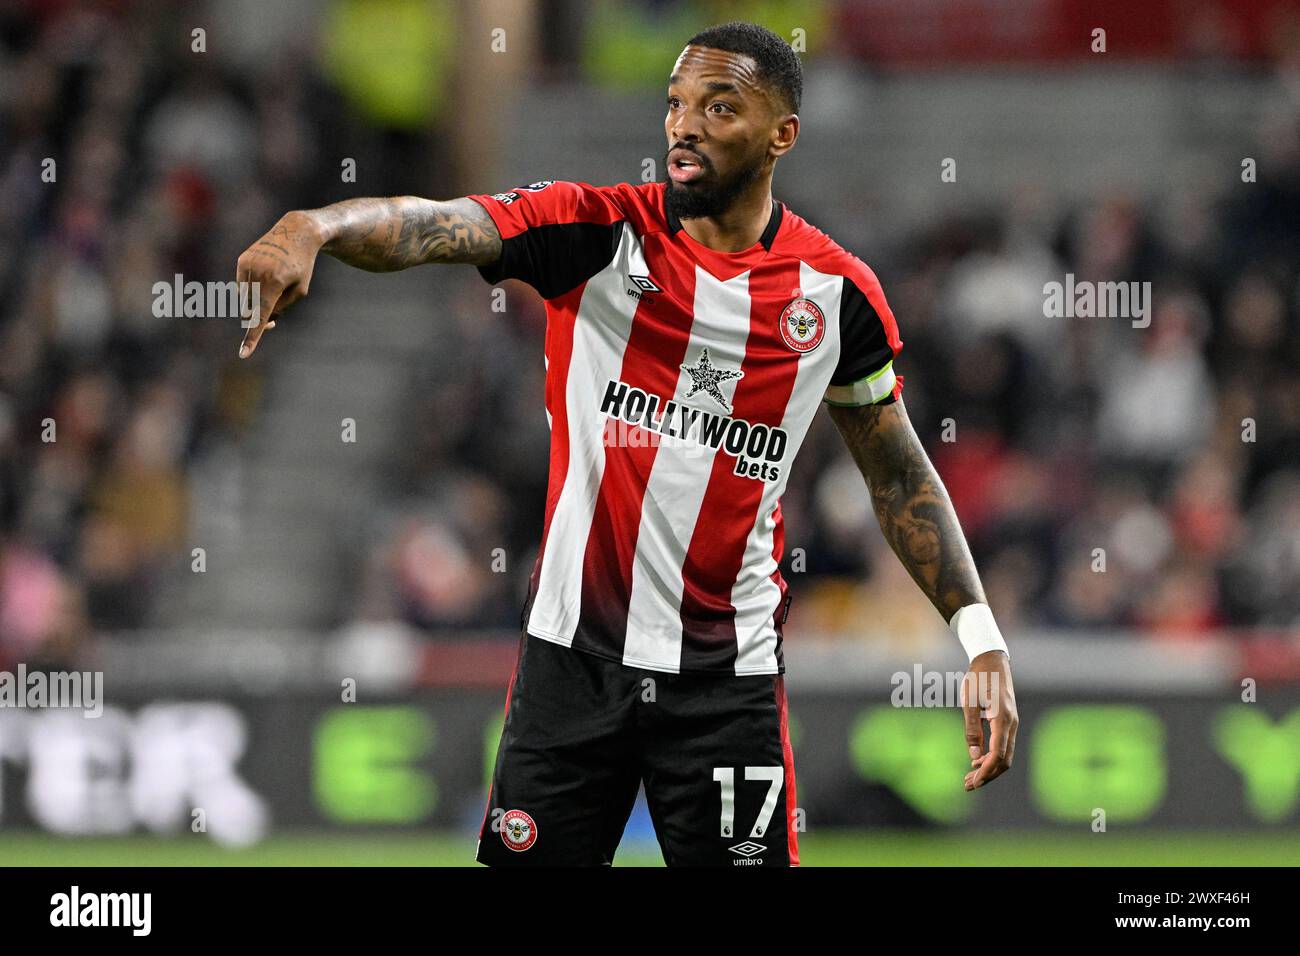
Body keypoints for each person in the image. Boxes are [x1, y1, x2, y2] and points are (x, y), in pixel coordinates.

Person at [233, 21, 1018, 867]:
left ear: (782, 134)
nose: (686, 125)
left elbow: (898, 472)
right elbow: (439, 226)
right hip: (572, 667)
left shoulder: (836, 295)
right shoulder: (595, 232)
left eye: (720, 107)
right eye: (676, 103)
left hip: (726, 682)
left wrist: (980, 638)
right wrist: (319, 225)